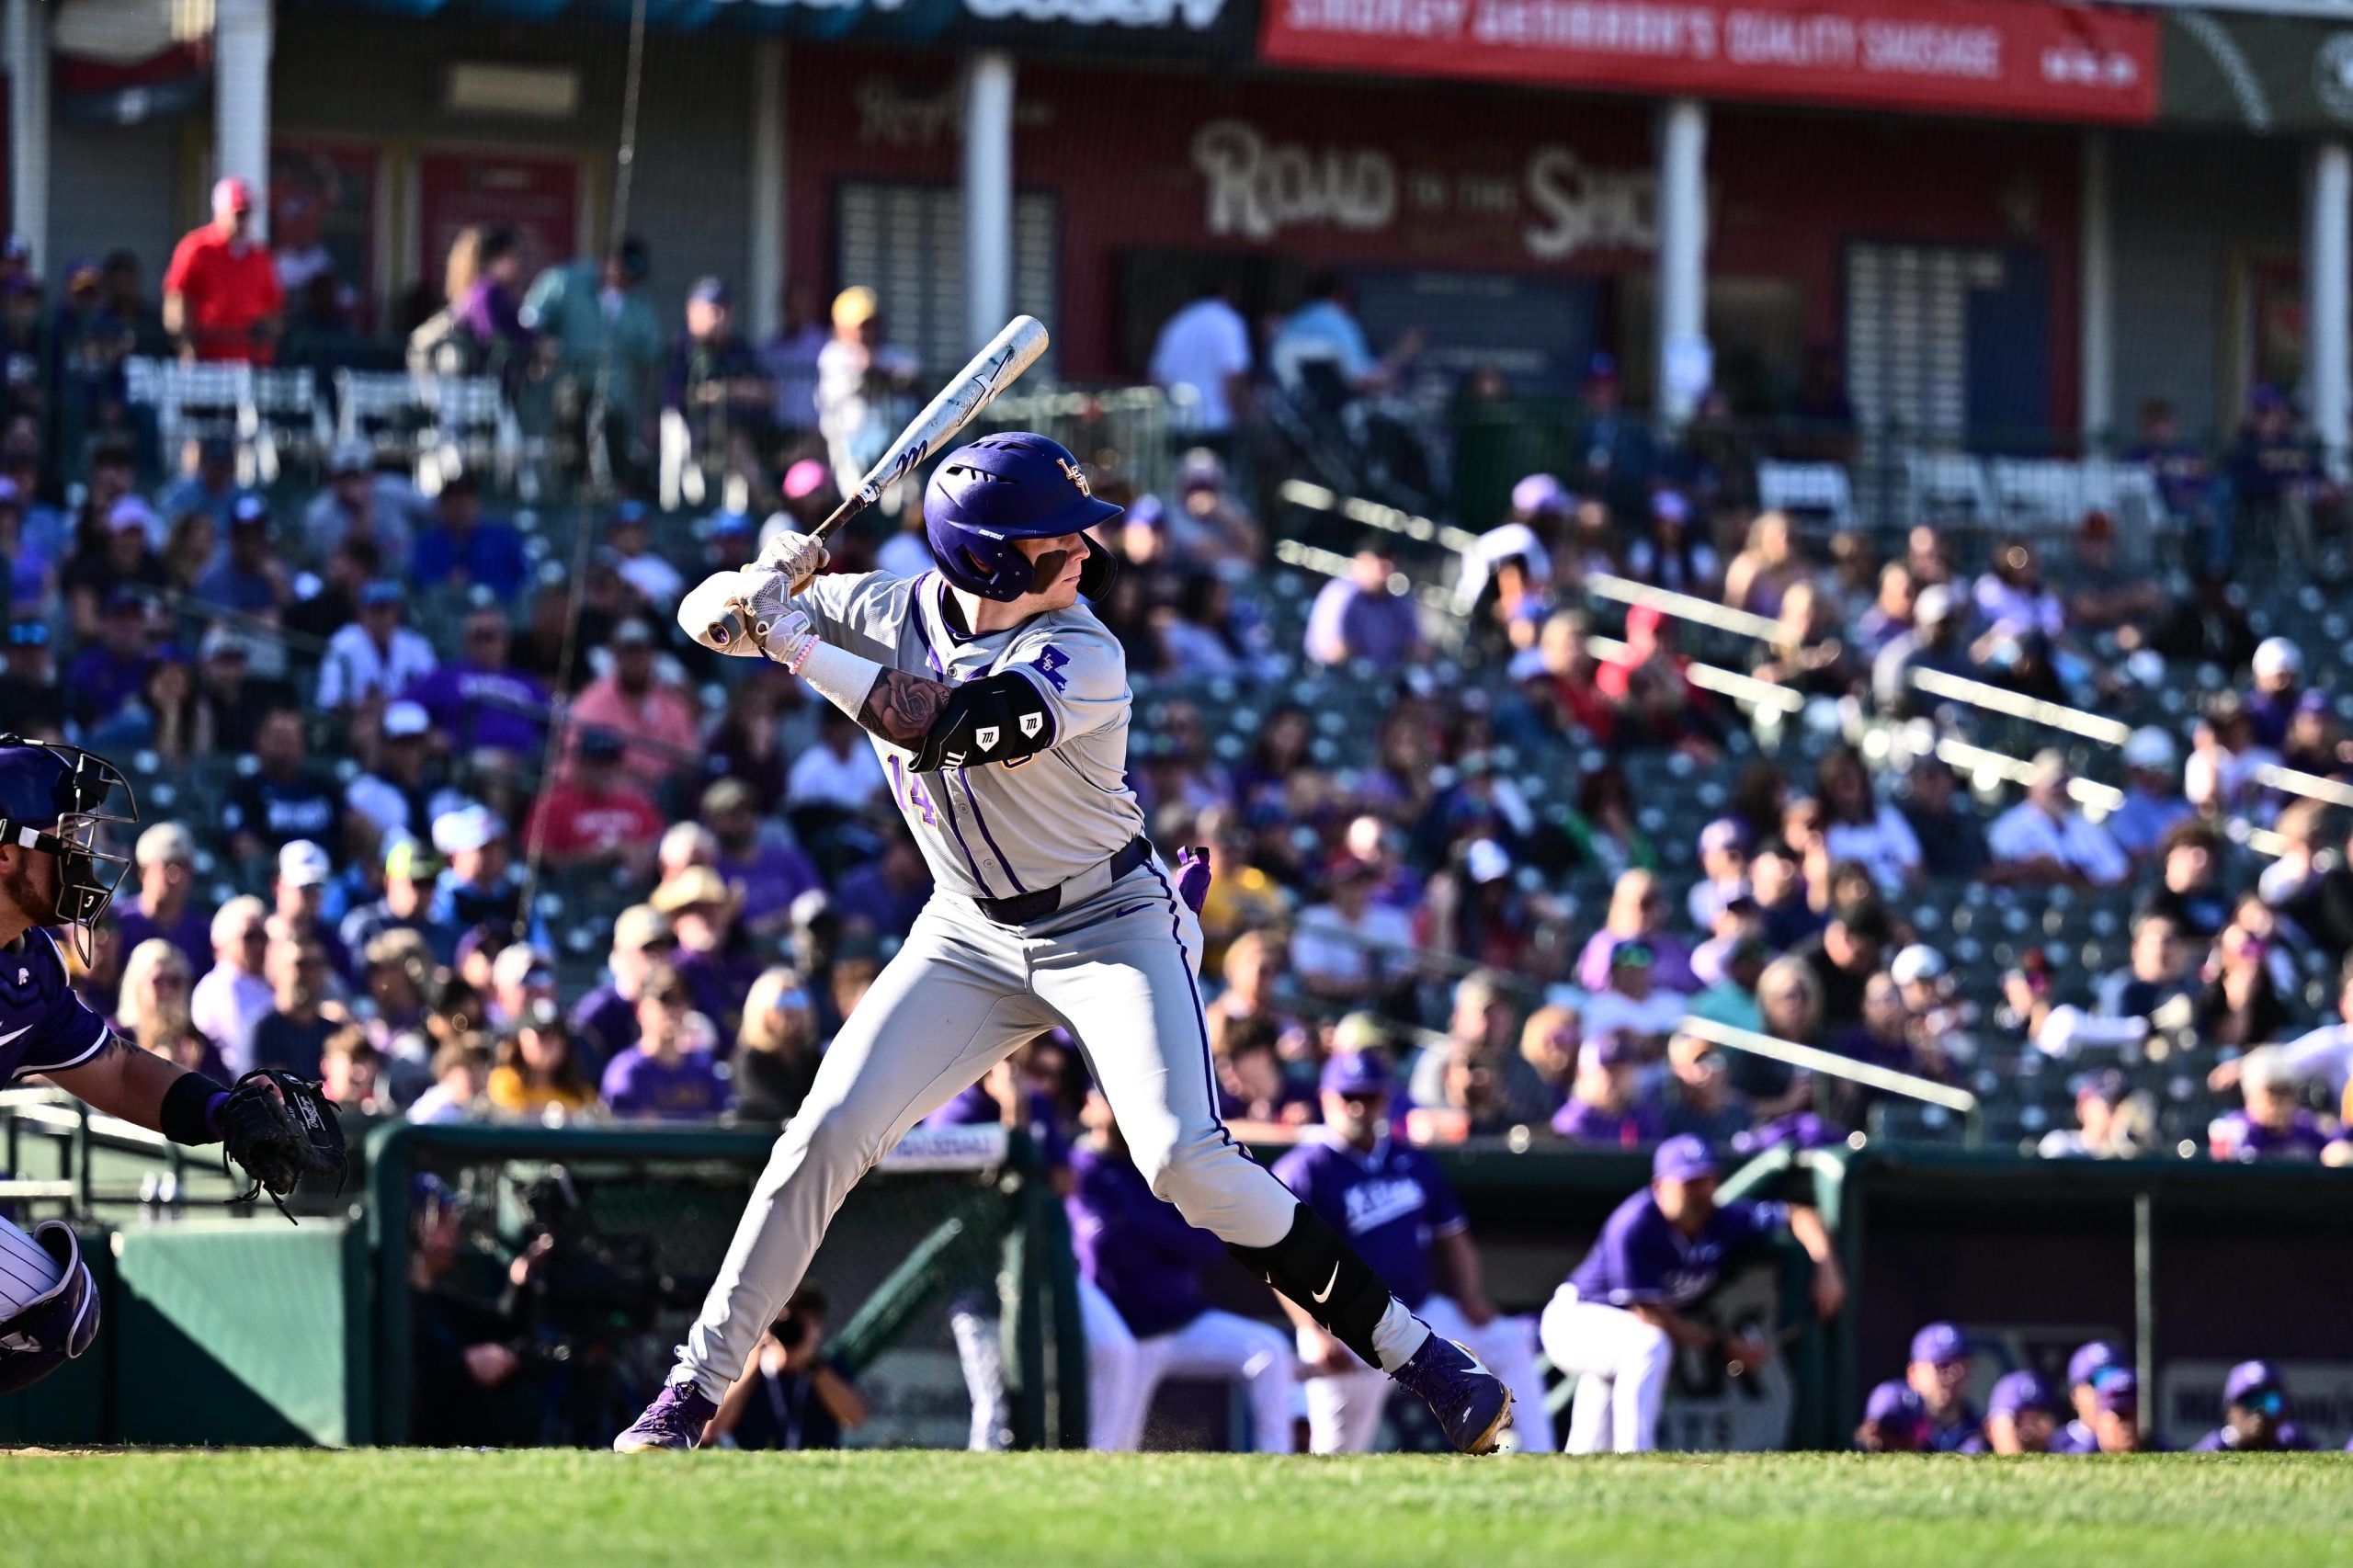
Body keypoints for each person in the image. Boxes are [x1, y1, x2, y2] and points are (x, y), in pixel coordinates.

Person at [623, 433, 1516, 1457]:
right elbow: (700, 618)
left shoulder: (1086, 648)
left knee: (1181, 1155)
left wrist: (789, 636)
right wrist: (758, 581)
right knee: (821, 1132)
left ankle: (1421, 1354)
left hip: (1111, 922)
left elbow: (955, 727)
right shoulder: (875, 610)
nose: (1087, 550)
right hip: (967, 928)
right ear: (993, 559)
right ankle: (692, 1393)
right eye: (1058, 538)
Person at [0, 735, 306, 1393]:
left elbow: (116, 1070)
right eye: (64, 839)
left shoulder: (31, 964)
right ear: (5, 853)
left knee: (56, 1311)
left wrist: (223, 1111)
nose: (85, 857)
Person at [1271, 1051, 1553, 1454]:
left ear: (1385, 1099)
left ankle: (1540, 1456)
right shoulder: (1305, 1168)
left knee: (1507, 1340)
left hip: (1417, 1311)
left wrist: (1470, 1296)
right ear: (1326, 1097)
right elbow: (1278, 1259)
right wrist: (1311, 1329)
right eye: (1347, 1095)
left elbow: (1452, 1237)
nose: (1357, 1106)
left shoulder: (1410, 1159)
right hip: (1347, 1326)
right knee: (1337, 1454)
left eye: (1367, 1096)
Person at [1540, 1136, 1845, 1452]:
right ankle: (1634, 1453)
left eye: (1708, 1180)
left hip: (1619, 1334)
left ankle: (1580, 1465)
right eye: (1690, 1183)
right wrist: (1723, 1345)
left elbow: (1799, 1215)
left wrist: (1826, 1267)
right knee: (1648, 1343)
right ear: (1660, 1187)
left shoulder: (1722, 1219)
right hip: (1576, 1322)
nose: (1701, 1192)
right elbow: (1649, 1314)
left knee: (1592, 1436)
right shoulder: (1635, 1223)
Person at [1069, 1087, 1298, 1452]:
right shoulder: (1081, 1167)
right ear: (1090, 1107)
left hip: (1183, 1323)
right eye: (1108, 1104)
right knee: (1113, 1448)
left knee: (1269, 1351)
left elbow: (1207, 1247)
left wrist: (1133, 1223)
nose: (1116, 1115)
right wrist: (1164, 1235)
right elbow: (1102, 1245)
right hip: (1126, 1335)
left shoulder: (1163, 1164)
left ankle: (1279, 1463)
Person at [703, 1288, 869, 1451]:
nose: (794, 1331)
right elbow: (712, 1429)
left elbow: (856, 1418)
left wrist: (812, 1365)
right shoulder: (744, 1369)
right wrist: (755, 1357)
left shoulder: (827, 1369)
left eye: (809, 1322)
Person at [813, 285, 920, 503]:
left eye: (872, 323)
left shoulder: (892, 354)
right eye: (861, 326)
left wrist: (882, 372)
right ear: (842, 328)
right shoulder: (833, 356)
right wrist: (875, 373)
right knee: (854, 497)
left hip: (896, 445)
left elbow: (913, 377)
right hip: (848, 446)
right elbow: (855, 380)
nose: (868, 331)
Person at [161, 176, 282, 362]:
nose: (244, 221)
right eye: (239, 213)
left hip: (248, 363)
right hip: (206, 361)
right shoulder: (196, 248)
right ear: (221, 212)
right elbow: (176, 300)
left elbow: (274, 310)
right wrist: (186, 346)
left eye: (248, 213)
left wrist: (266, 338)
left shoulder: (261, 257)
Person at [599, 960, 730, 1120]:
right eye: (665, 999)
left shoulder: (703, 1068)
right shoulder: (628, 1072)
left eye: (682, 998)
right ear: (640, 1009)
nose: (675, 1009)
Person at [1984, 751, 2128, 889]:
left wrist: (2070, 876)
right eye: (2053, 785)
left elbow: (2118, 873)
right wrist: (2036, 869)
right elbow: (1992, 874)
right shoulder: (2009, 826)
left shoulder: (2084, 827)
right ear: (2034, 786)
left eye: (2063, 784)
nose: (2059, 791)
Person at [1148, 279, 1253, 454]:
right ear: (1227, 294)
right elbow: (1233, 375)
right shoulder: (1229, 322)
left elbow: (1157, 375)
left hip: (1178, 424)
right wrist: (1243, 415)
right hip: (1217, 425)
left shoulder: (1178, 321)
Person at [570, 903, 674, 1072]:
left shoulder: (677, 1006)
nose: (657, 957)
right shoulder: (597, 1011)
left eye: (664, 947)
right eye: (647, 949)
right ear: (620, 952)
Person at [1303, 538, 1426, 669]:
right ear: (1361, 561)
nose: (1385, 574)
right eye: (1381, 566)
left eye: (1391, 566)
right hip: (1335, 675)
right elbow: (1333, 651)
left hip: (1383, 678)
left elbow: (1418, 647)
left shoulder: (1396, 601)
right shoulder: (1342, 593)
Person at [191, 895, 274, 1075]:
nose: (258, 945)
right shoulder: (220, 987)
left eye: (263, 937)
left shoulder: (266, 982)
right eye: (249, 937)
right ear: (222, 943)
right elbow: (243, 1052)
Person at [2208, 1045, 2331, 1162]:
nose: (2282, 1103)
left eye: (2287, 1093)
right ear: (2251, 1097)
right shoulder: (2234, 1131)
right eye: (2273, 1094)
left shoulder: (2305, 1128)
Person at [2108, 726, 2194, 865]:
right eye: (2155, 767)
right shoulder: (2126, 812)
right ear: (2136, 770)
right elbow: (2139, 855)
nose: (2164, 773)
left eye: (2166, 766)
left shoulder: (2180, 805)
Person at [485, 1015, 597, 1119]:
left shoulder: (582, 1093)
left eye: (557, 1034)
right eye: (542, 1034)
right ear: (520, 1039)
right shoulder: (504, 1081)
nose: (550, 1042)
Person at [2190, 1360, 2314, 1452]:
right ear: (2230, 1411)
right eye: (2251, 1401)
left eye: (2269, 1402)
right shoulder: (2215, 1447)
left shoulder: (2292, 1441)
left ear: (2283, 1411)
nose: (2260, 1411)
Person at [1903, 1322, 1983, 1453]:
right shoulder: (1898, 1432)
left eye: (1960, 1366)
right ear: (1913, 1374)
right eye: (1942, 1365)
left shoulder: (1986, 1435)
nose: (1952, 1375)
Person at [2051, 1339, 2123, 1453]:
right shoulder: (2056, 1444)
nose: (2105, 1391)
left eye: (2114, 1382)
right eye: (2094, 1383)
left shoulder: (2143, 1440)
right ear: (2074, 1396)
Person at [1982, 1370, 2060, 1454]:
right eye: (2018, 1419)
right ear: (1989, 1429)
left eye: (2037, 1418)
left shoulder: (2066, 1445)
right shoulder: (1973, 1451)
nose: (2029, 1428)